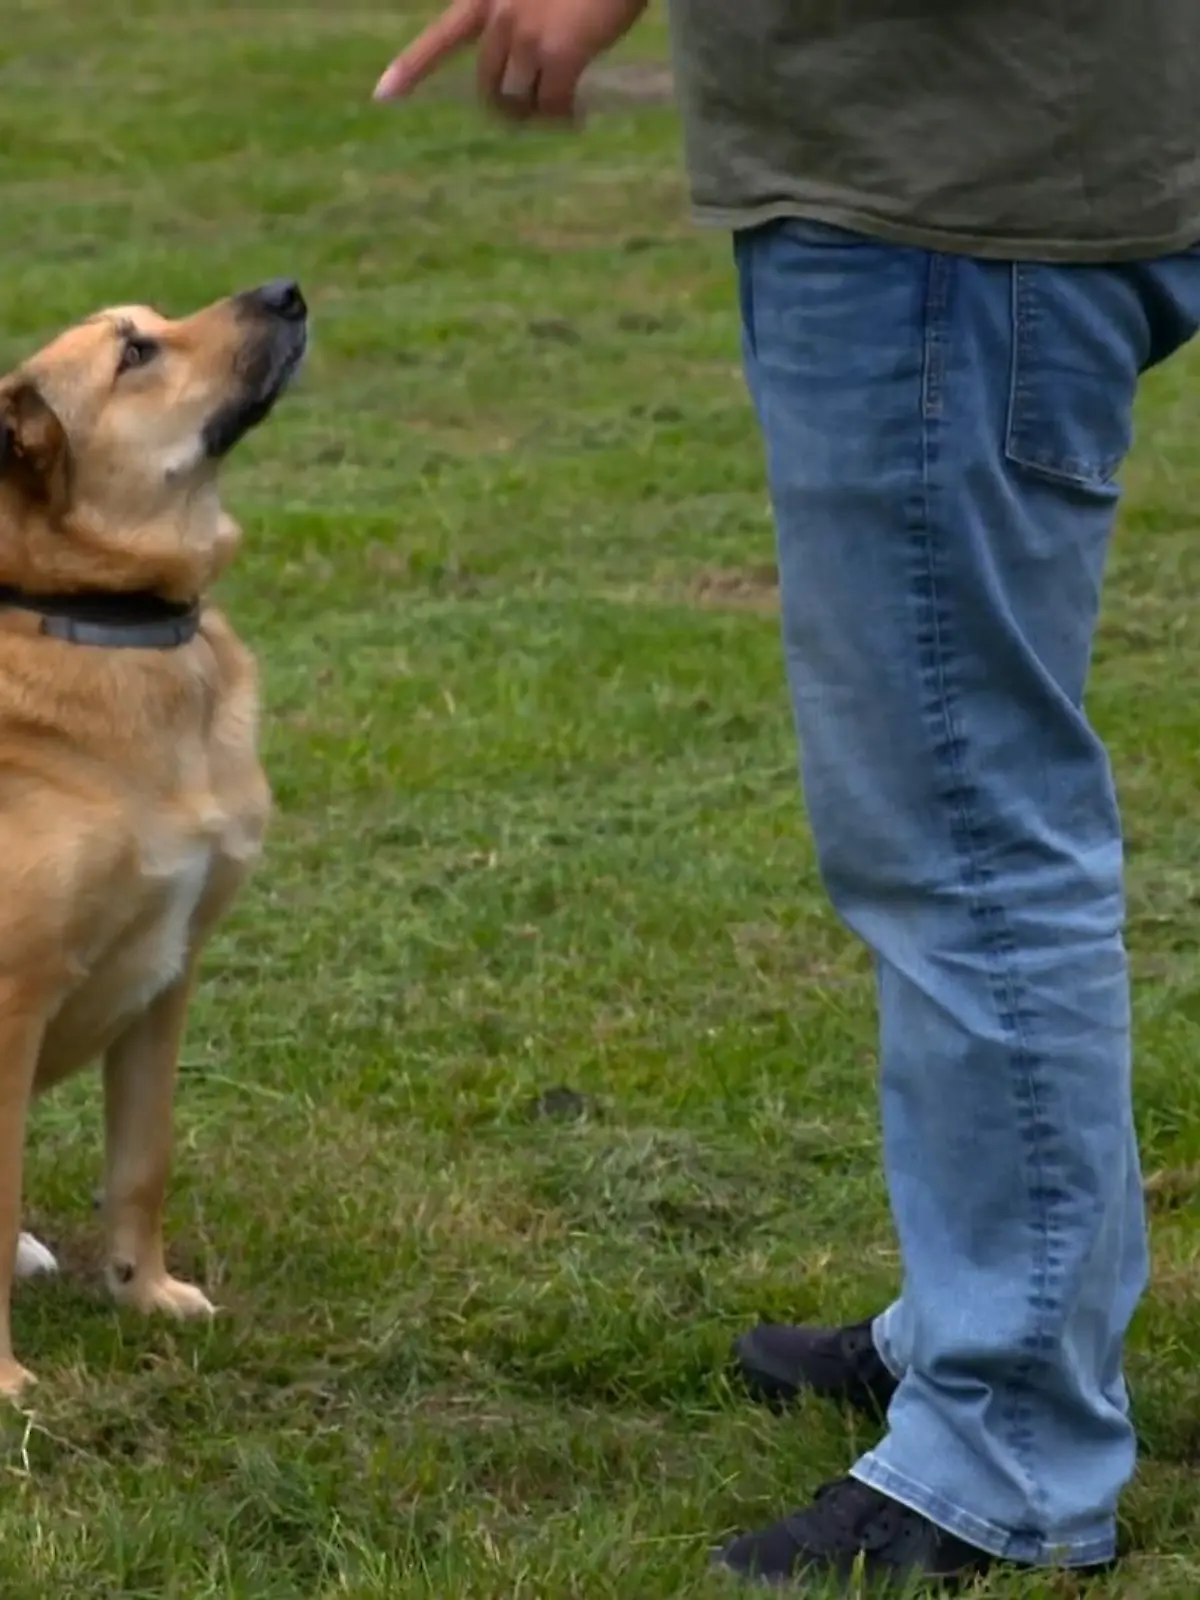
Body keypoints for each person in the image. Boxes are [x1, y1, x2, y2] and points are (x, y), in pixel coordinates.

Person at [373, 3, 1200, 1590]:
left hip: (953, 189)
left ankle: (1009, 1434)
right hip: (955, 167)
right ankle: (988, 1319)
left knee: (962, 826)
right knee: (961, 809)